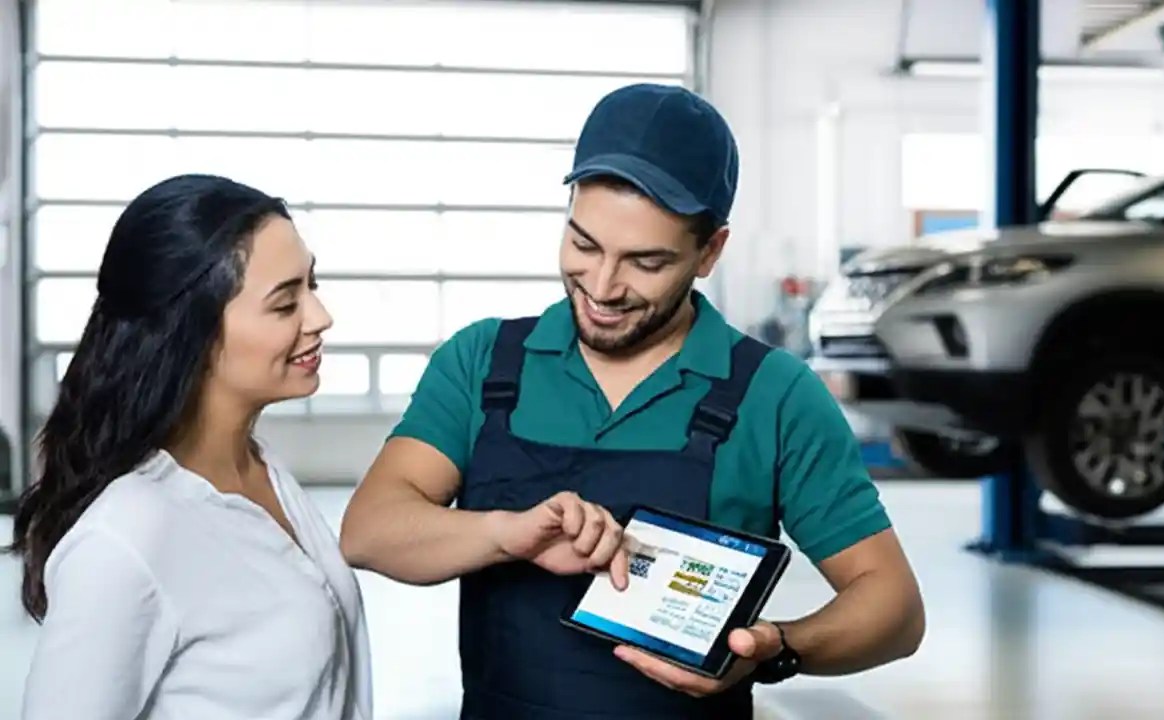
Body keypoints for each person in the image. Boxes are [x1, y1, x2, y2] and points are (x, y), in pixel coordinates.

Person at [340, 83, 924, 719]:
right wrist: (508, 534)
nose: (602, 286)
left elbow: (893, 606)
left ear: (710, 251)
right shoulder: (484, 363)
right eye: (583, 245)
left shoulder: (774, 395)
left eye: (645, 262)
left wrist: (777, 648)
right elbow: (370, 531)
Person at [9, 174, 373, 720]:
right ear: (193, 329)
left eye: (312, 286)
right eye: (285, 303)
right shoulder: (127, 537)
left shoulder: (266, 472)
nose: (320, 318)